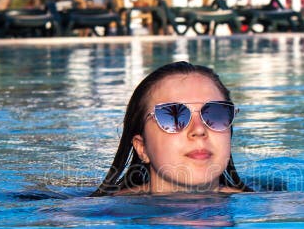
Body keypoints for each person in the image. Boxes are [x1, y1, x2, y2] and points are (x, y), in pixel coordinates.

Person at [92, 61, 252, 196]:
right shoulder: (92, 216)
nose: (199, 130)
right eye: (174, 118)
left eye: (216, 115)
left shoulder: (268, 210)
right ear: (142, 148)